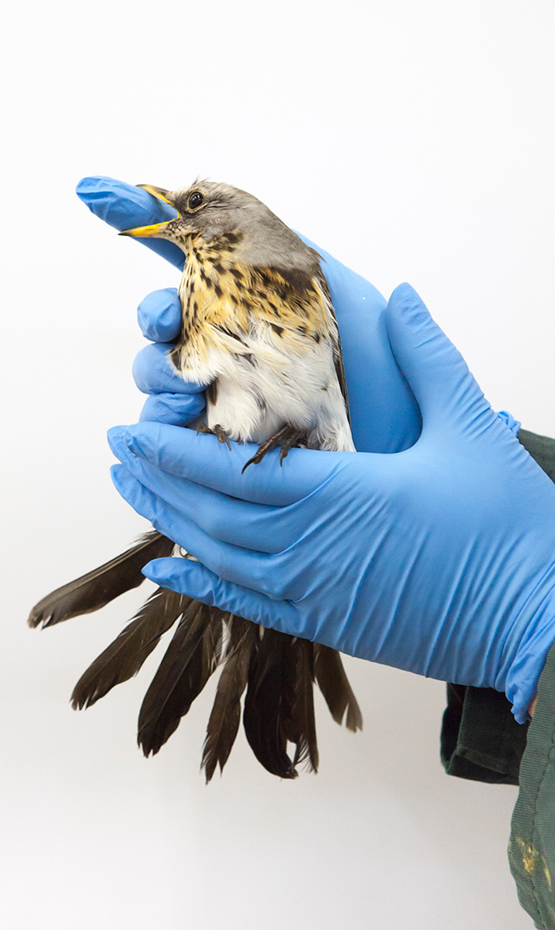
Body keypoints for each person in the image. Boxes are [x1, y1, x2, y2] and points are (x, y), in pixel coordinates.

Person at [77, 176, 555, 928]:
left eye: (196, 202)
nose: (180, 209)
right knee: (220, 536)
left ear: (236, 219)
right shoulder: (208, 280)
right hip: (256, 439)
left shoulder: (290, 273)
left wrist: (534, 605)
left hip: (313, 441)